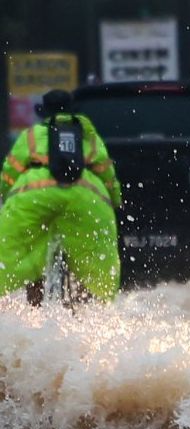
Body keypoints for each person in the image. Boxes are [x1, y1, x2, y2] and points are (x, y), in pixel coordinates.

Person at [0, 89, 121, 304]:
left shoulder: (31, 135)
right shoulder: (89, 137)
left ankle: (32, 312)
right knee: (90, 260)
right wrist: (116, 200)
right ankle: (83, 311)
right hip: (85, 196)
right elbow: (107, 175)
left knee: (26, 254)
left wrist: (5, 194)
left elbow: (10, 171)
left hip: (34, 196)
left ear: (45, 113)